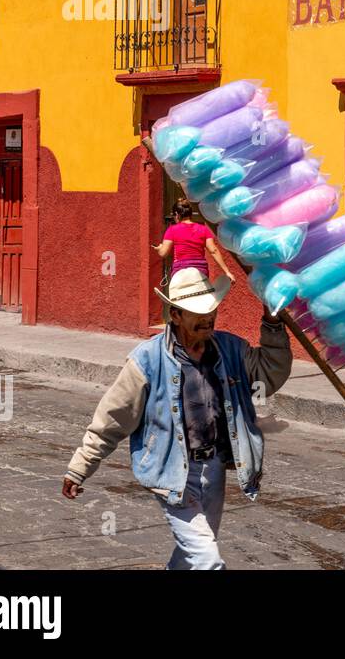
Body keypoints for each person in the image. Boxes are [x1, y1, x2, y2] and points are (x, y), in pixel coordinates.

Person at [61, 267, 293, 569]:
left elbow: (269, 373)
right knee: (207, 559)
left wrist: (273, 322)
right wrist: (80, 467)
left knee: (192, 553)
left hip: (214, 468)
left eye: (211, 310)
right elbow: (112, 418)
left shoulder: (230, 349)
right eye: (197, 312)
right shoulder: (147, 359)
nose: (208, 318)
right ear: (176, 315)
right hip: (171, 470)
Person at [154, 199, 234, 281]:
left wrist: (160, 248)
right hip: (200, 270)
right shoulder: (203, 229)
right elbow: (213, 250)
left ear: (177, 214)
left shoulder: (172, 230)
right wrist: (227, 272)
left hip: (180, 269)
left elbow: (163, 253)